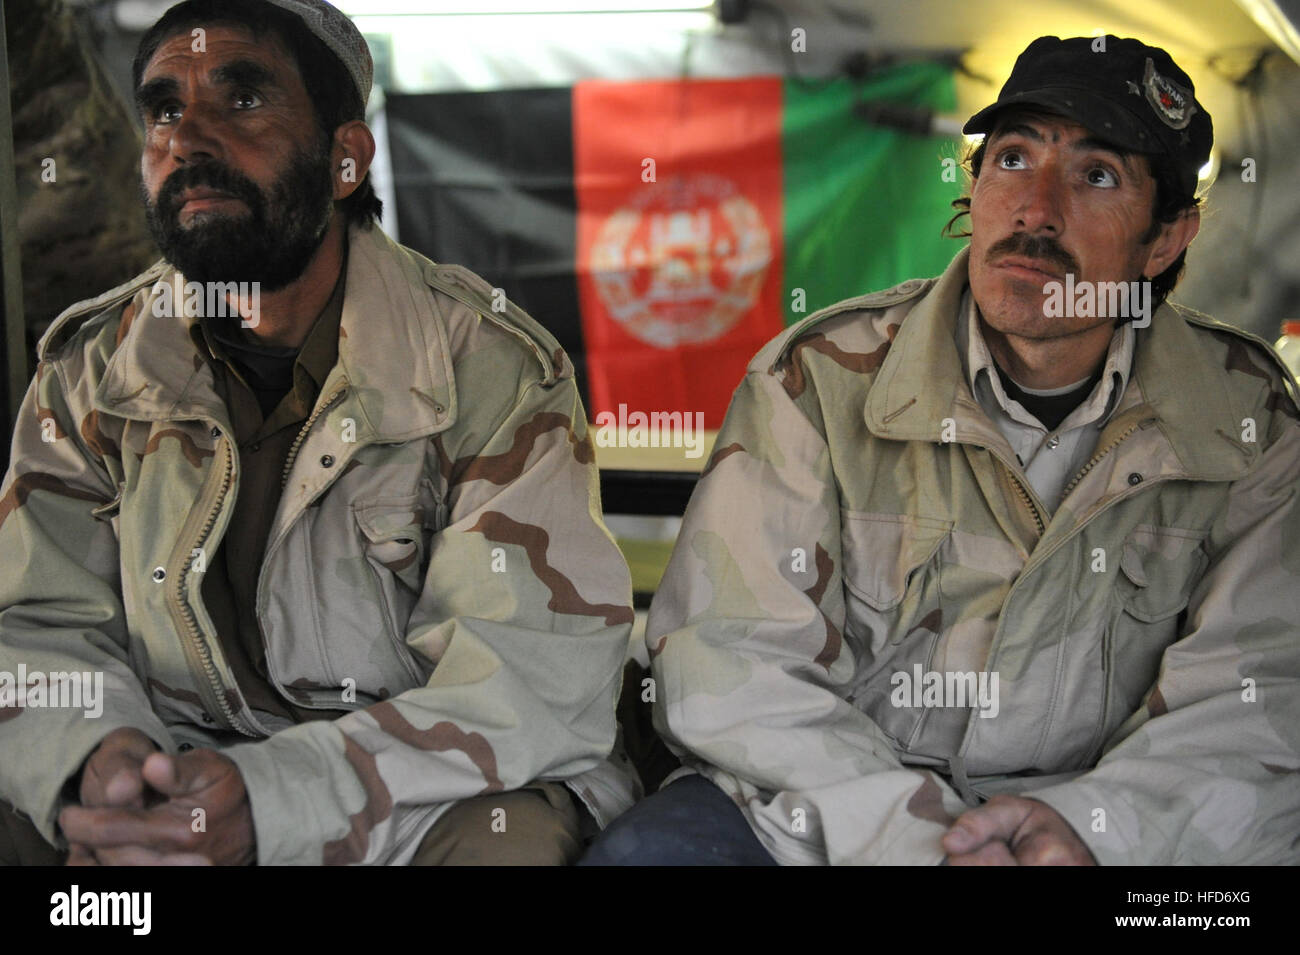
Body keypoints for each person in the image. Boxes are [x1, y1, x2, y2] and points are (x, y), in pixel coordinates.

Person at [581, 35, 1300, 865]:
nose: (1037, 208)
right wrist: (926, 838)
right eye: (1012, 158)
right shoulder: (820, 380)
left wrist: (1092, 830)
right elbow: (728, 662)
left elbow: (1258, 705)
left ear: (1168, 238)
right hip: (829, 815)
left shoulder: (1250, 421)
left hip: (1110, 831)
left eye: (1096, 175)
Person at [0, 0, 636, 865]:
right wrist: (101, 766)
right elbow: (35, 624)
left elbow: (529, 676)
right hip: (173, 766)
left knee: (506, 842)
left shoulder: (491, 369)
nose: (187, 140)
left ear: (346, 158)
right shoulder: (89, 372)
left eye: (242, 100)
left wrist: (271, 801)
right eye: (163, 110)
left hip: (415, 789)